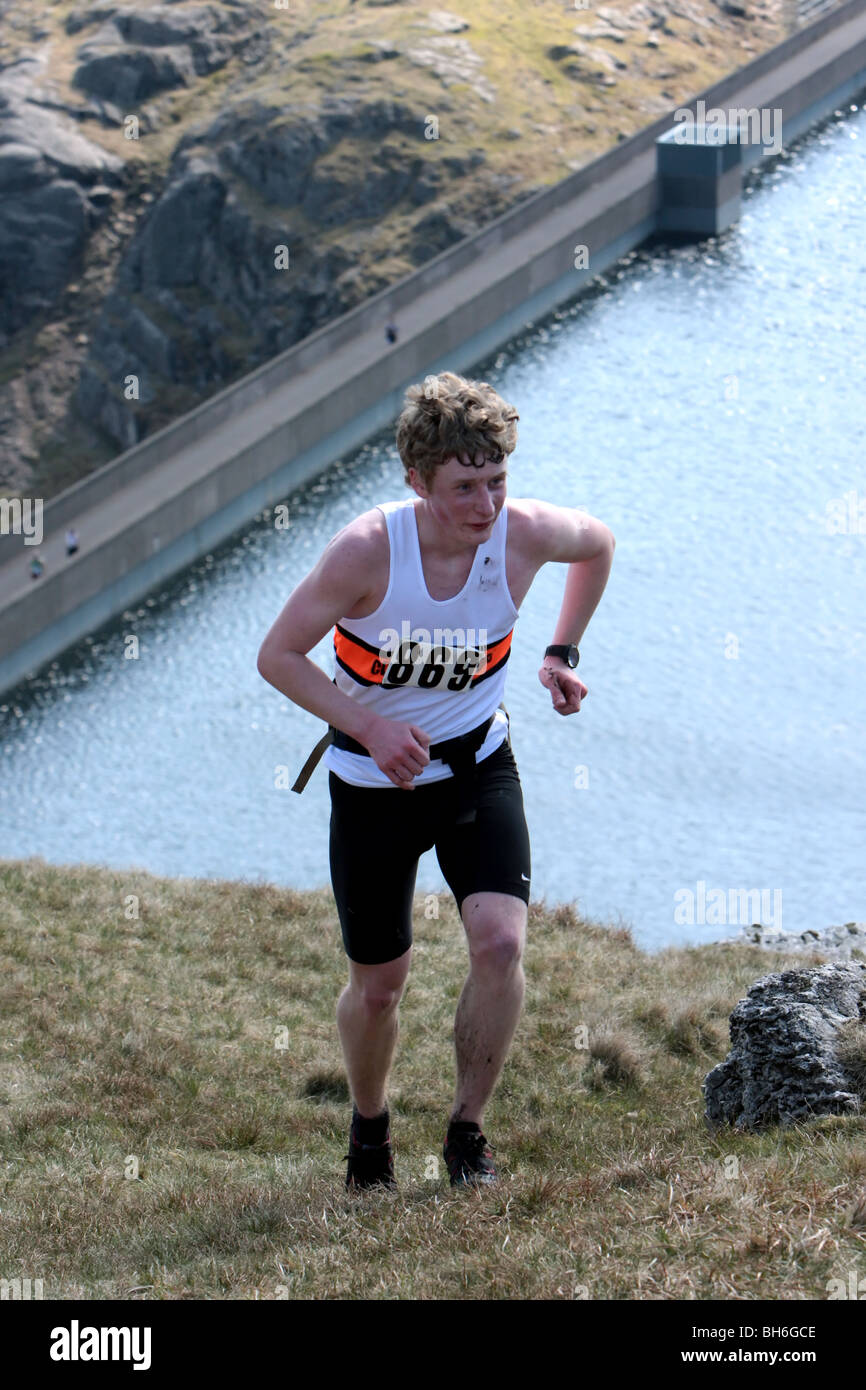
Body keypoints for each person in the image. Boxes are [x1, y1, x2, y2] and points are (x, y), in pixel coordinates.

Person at [256, 369, 615, 1191]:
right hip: (375, 785)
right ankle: (371, 1129)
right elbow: (277, 656)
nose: (485, 506)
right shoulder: (366, 551)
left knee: (500, 943)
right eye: (463, 488)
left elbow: (597, 545)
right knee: (379, 988)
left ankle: (466, 1134)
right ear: (417, 481)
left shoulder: (520, 534)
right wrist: (371, 725)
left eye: (497, 481)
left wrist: (562, 652)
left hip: (478, 766)